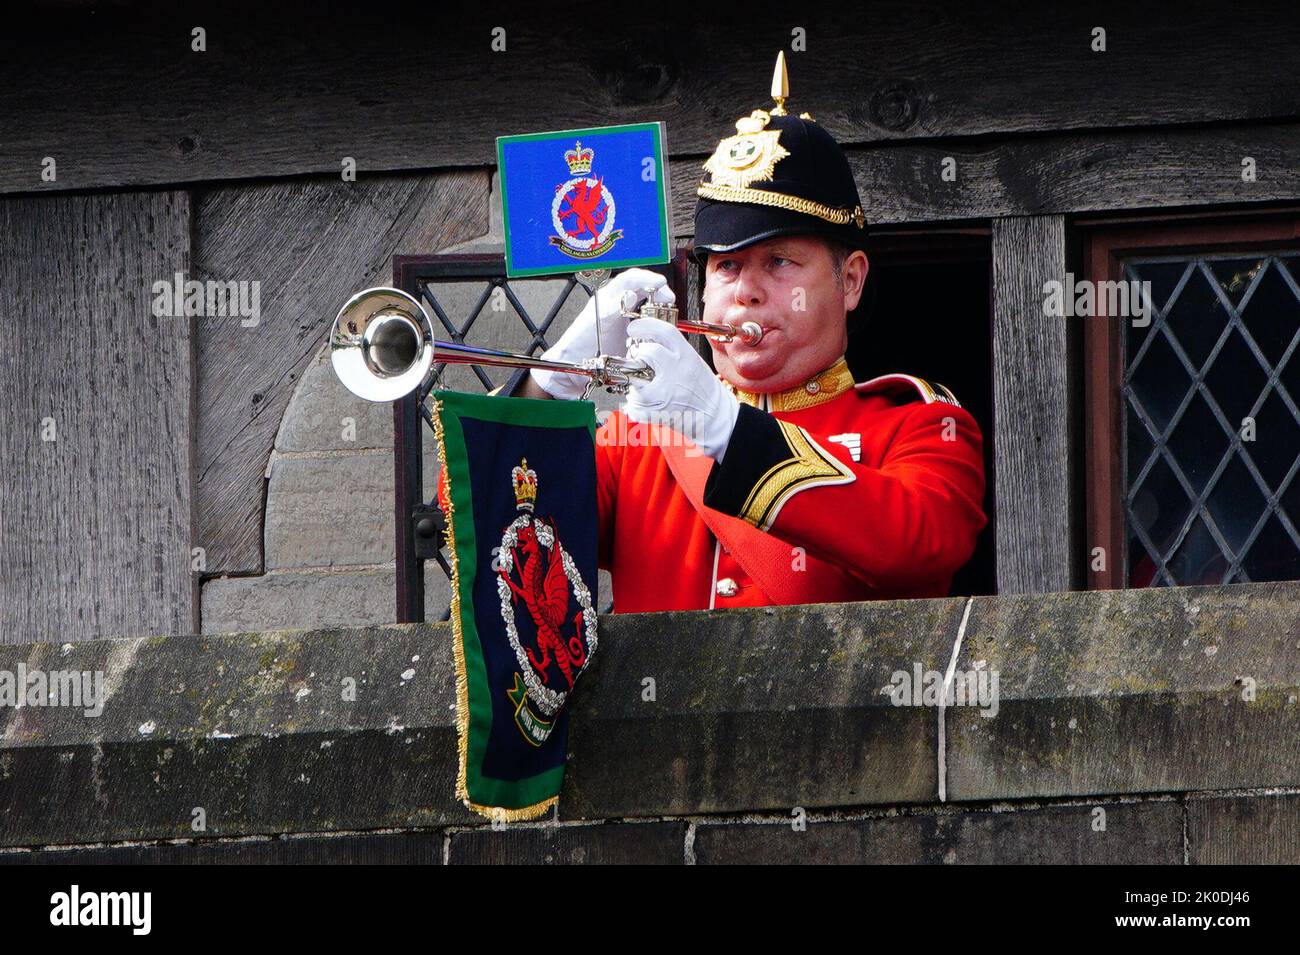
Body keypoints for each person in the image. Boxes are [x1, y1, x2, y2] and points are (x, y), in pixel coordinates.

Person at [496, 57, 987, 612]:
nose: (744, 292)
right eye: (726, 267)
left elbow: (917, 544)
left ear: (848, 282)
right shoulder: (638, 440)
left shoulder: (917, 426)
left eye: (778, 262)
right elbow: (496, 526)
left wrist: (727, 431)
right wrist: (547, 384)